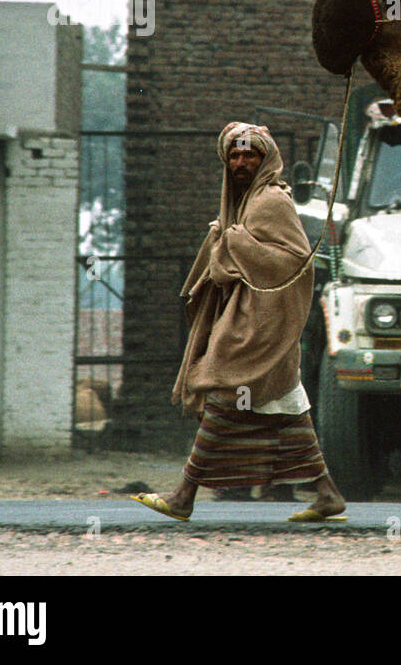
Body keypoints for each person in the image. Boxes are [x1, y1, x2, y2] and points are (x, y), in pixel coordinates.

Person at [132, 122, 347, 522]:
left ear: (266, 159)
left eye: (250, 154)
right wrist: (228, 240)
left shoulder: (270, 201)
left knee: (222, 391)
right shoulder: (244, 202)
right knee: (286, 406)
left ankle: (183, 495)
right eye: (235, 154)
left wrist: (233, 243)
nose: (241, 161)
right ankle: (328, 494)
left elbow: (297, 261)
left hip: (260, 326)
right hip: (253, 321)